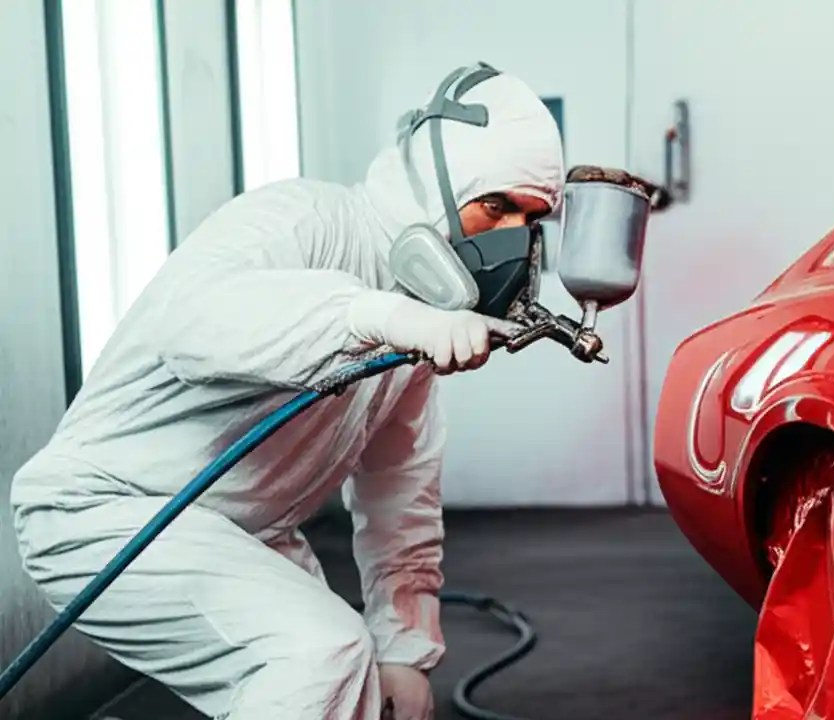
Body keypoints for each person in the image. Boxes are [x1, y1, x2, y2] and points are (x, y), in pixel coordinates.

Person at [9, 65, 564, 720]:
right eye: (495, 206)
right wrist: (371, 315)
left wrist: (403, 646)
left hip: (245, 532)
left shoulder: (418, 318)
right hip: (105, 511)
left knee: (348, 679)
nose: (509, 238)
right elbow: (189, 321)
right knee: (319, 656)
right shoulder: (304, 219)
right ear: (439, 183)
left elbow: (399, 489)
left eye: (530, 219)